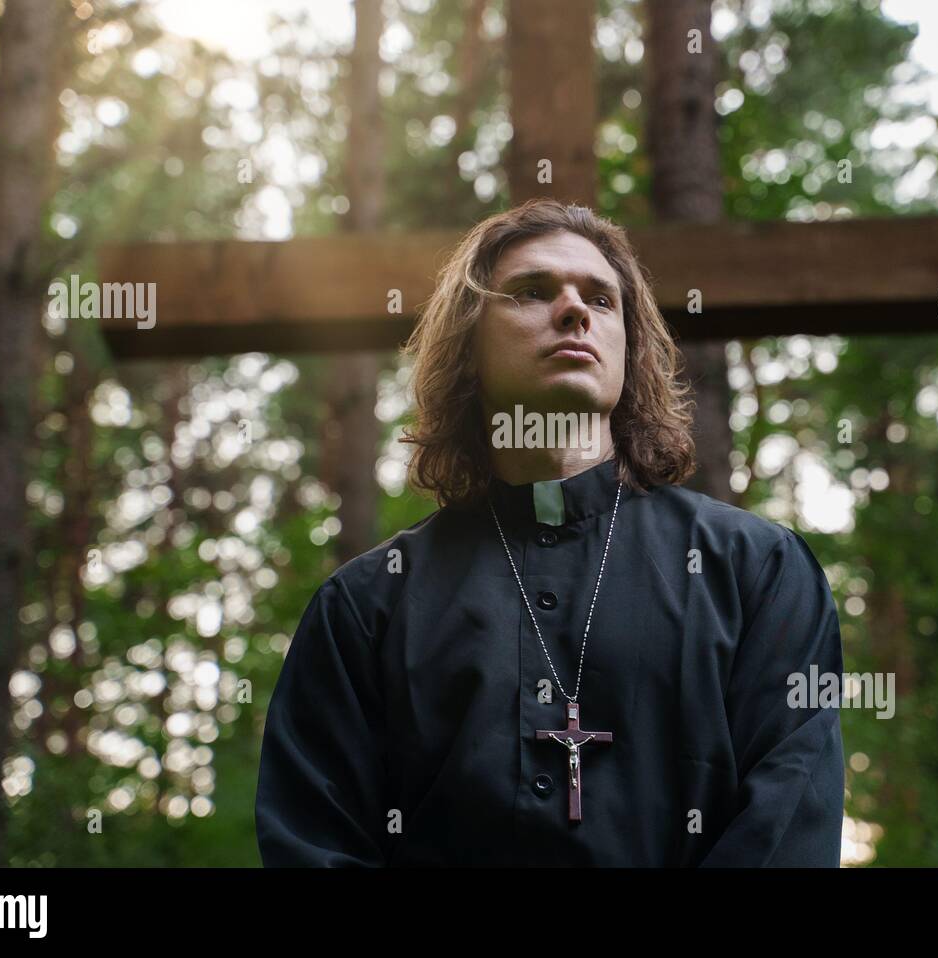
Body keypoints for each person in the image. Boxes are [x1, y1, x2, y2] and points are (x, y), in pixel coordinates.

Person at [255, 198, 845, 866]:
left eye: (601, 300)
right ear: (469, 345)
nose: (574, 311)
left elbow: (787, 827)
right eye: (533, 292)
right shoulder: (365, 609)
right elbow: (315, 846)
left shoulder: (756, 571)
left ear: (630, 348)